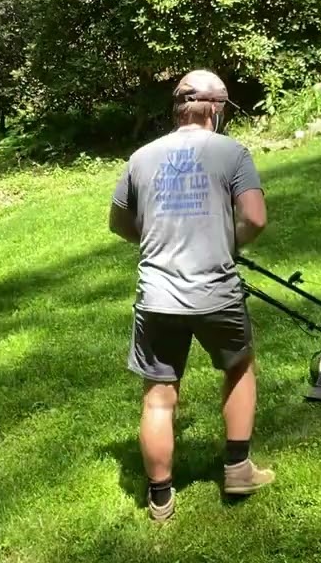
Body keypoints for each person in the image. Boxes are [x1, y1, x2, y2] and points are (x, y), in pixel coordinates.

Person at [108, 69, 275, 521]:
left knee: (159, 395)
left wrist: (154, 237)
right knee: (238, 368)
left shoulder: (141, 158)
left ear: (178, 108)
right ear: (217, 109)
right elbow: (255, 218)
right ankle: (238, 468)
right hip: (216, 291)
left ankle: (160, 498)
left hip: (158, 296)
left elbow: (119, 223)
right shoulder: (232, 153)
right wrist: (229, 242)